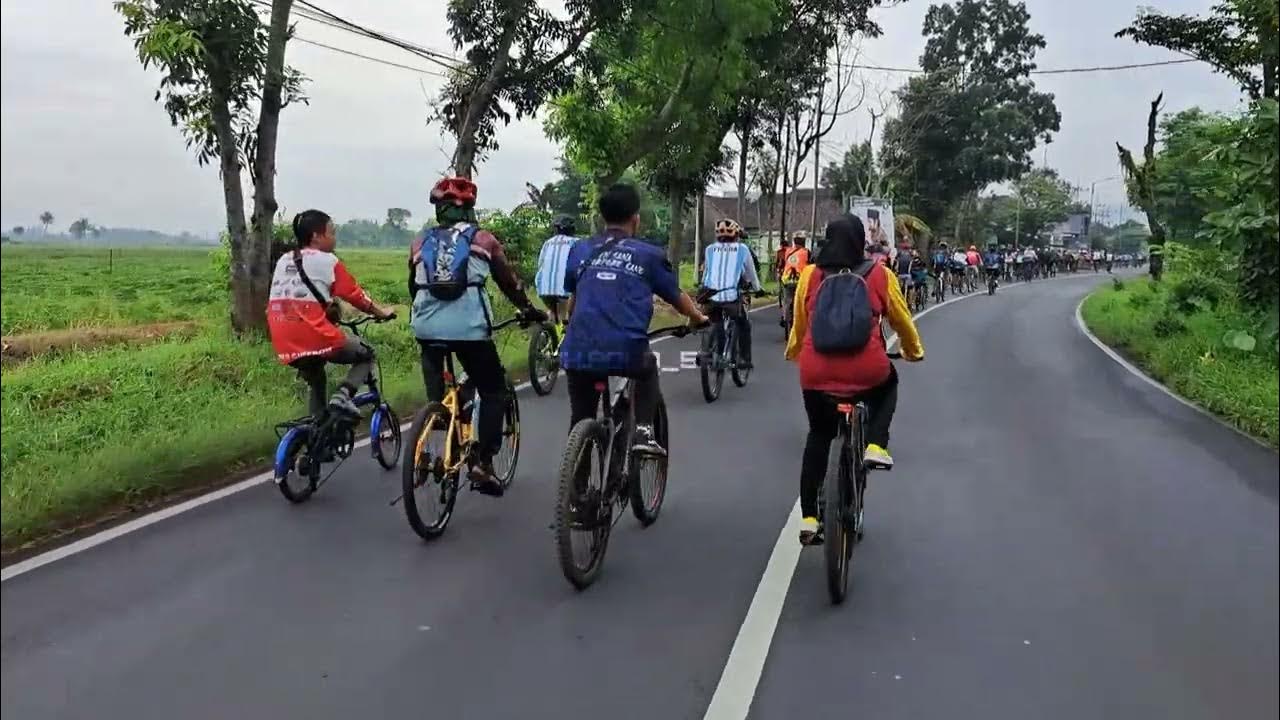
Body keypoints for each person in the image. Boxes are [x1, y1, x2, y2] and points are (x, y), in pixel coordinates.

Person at [785, 214, 924, 544]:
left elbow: (800, 323)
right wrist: (913, 350)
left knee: (819, 434)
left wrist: (795, 352)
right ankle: (876, 443)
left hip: (816, 374)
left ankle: (808, 517)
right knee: (888, 384)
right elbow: (902, 320)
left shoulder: (810, 275)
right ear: (862, 241)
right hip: (867, 370)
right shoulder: (880, 274)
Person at [410, 176, 546, 496]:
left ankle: (429, 440)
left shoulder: (419, 241)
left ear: (439, 210)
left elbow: (412, 287)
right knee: (494, 388)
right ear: (470, 209)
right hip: (469, 330)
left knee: (437, 399)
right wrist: (529, 309)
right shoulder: (483, 239)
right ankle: (482, 463)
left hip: (425, 328)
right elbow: (509, 284)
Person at [560, 183, 708, 455]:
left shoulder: (580, 249)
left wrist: (569, 325)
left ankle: (576, 489)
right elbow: (676, 297)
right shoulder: (649, 254)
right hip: (625, 349)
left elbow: (575, 295)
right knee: (647, 366)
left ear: (602, 217)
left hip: (578, 348)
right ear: (635, 218)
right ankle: (643, 431)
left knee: (581, 416)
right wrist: (698, 317)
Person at [268, 209, 397, 418]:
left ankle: (317, 431)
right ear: (316, 236)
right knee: (366, 354)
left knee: (317, 377)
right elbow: (355, 295)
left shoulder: (285, 260)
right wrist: (380, 312)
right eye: (332, 232)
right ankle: (343, 397)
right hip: (313, 336)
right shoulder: (327, 261)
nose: (334, 238)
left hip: (282, 338)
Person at [700, 218, 763, 370]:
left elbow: (706, 274)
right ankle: (744, 360)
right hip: (731, 298)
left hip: (708, 296)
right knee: (744, 324)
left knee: (715, 320)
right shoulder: (742, 249)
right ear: (736, 235)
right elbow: (751, 273)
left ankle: (710, 351)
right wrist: (758, 289)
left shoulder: (709, 249)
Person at [534, 215, 579, 324]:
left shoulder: (547, 243)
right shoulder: (577, 242)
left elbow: (540, 265)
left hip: (544, 289)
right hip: (565, 292)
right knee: (569, 317)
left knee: (554, 314)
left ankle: (551, 333)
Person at [779, 232, 810, 328]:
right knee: (803, 299)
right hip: (800, 280)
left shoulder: (788, 251)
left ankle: (785, 317)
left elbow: (782, 263)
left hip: (787, 279)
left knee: (787, 300)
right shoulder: (806, 252)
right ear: (803, 242)